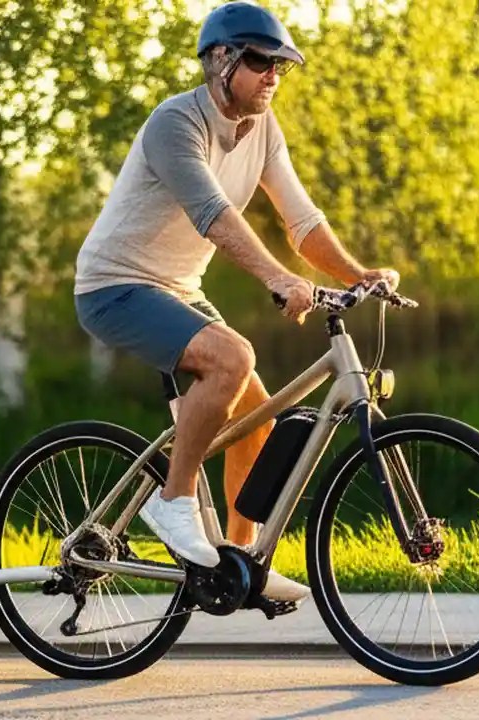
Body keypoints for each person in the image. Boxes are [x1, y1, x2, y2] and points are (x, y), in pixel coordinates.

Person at [73, 1, 400, 602]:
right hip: (115, 286)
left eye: (280, 66)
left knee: (256, 420)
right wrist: (278, 279)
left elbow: (301, 221)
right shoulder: (176, 124)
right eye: (260, 62)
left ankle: (238, 560)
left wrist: (360, 273)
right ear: (220, 61)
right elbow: (214, 218)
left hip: (179, 292)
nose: (272, 76)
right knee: (234, 357)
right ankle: (173, 503)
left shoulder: (264, 131)